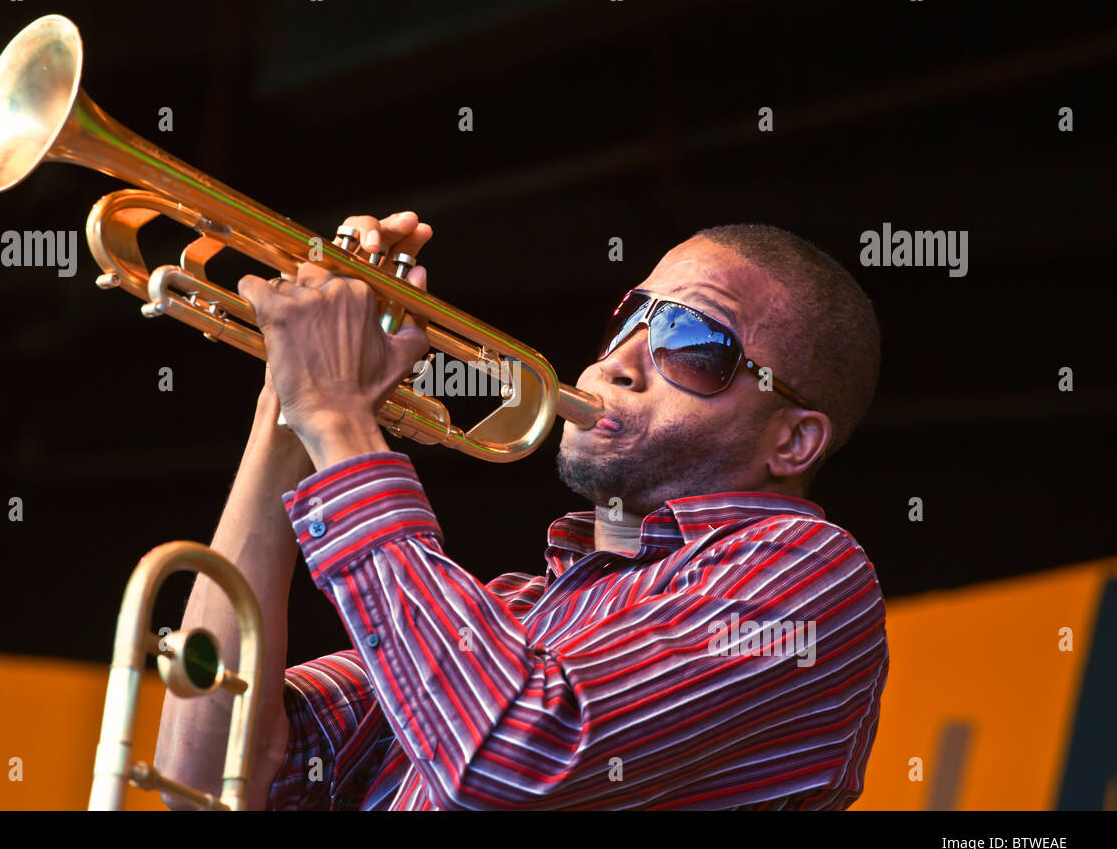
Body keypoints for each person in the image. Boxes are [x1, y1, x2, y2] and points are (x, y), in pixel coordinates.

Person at [153, 212, 887, 810]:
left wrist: (337, 417)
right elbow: (209, 781)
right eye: (633, 317)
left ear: (793, 441)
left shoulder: (811, 574)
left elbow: (511, 758)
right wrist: (284, 417)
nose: (619, 361)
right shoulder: (509, 614)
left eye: (692, 343)